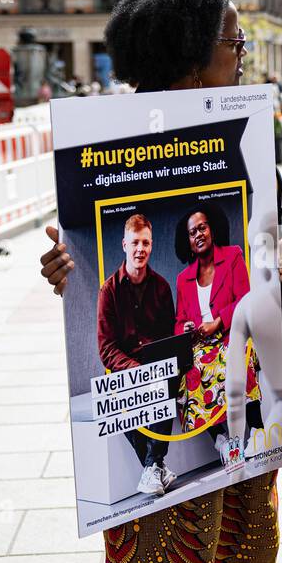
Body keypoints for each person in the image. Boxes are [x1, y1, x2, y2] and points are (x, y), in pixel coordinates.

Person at [37, 0, 282, 563]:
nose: (243, 48)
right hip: (161, 395)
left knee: (249, 541)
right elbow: (79, 241)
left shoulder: (245, 125)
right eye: (232, 40)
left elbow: (270, 220)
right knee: (163, 555)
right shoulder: (109, 138)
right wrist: (65, 269)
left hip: (244, 382)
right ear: (191, 59)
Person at [95, 213, 178, 497]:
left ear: (152, 246)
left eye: (146, 243)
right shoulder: (108, 291)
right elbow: (106, 349)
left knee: (166, 381)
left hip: (157, 369)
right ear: (124, 244)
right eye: (135, 242)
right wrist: (135, 370)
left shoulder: (162, 288)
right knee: (113, 401)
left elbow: (169, 339)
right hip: (125, 370)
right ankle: (156, 466)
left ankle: (152, 467)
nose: (140, 249)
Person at [172, 206, 261, 466]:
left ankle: (256, 430)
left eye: (202, 228)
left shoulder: (233, 256)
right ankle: (221, 442)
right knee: (189, 373)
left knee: (234, 354)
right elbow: (179, 322)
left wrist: (219, 321)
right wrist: (187, 328)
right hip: (200, 345)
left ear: (212, 230)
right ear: (187, 241)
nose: (198, 234)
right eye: (192, 232)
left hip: (231, 333)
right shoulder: (183, 279)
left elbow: (246, 299)